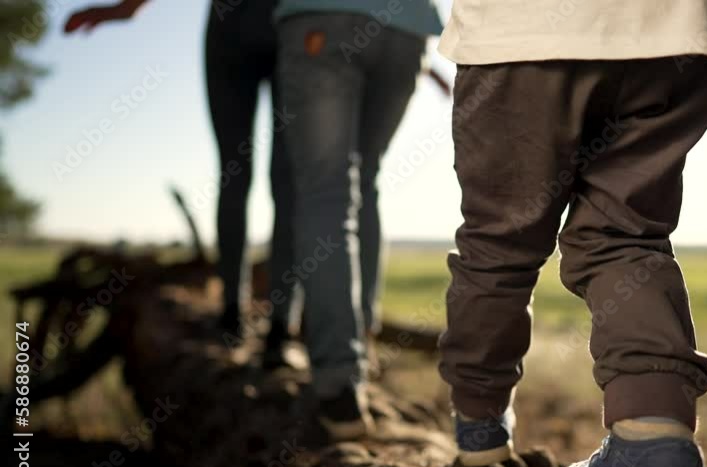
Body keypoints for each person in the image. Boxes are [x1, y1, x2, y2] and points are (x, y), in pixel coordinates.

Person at [436, 2, 707, 467]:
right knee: (625, 235)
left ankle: (478, 425)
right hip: (677, 35)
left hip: (522, 34)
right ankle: (653, 437)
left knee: (499, 244)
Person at [65, 0, 298, 367]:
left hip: (290, 22)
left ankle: (278, 326)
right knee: (247, 176)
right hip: (240, 26)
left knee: (282, 180)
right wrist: (128, 9)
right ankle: (238, 314)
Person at [272, 0, 442, 439]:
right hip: (408, 30)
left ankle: (338, 386)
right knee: (363, 184)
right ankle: (357, 356)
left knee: (326, 192)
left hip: (323, 18)